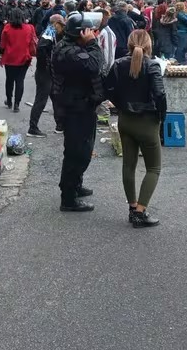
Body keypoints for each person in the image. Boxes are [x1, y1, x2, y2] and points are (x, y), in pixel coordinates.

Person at [103, 30, 165, 228]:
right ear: (148, 45)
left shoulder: (119, 64)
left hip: (125, 120)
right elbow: (160, 94)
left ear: (128, 44)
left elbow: (108, 88)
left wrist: (121, 105)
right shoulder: (153, 65)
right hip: (147, 121)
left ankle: (132, 207)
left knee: (128, 165)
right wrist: (161, 117)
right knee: (153, 168)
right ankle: (141, 211)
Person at [51, 12, 104, 213]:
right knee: (76, 152)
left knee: (85, 148)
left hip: (83, 107)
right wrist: (92, 43)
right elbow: (94, 65)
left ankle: (76, 184)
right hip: (74, 109)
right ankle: (68, 197)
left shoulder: (73, 48)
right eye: (89, 31)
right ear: (81, 32)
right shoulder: (69, 52)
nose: (93, 34)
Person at [29, 14, 65, 137]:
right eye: (61, 25)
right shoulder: (49, 32)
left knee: (56, 97)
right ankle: (32, 128)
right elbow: (41, 48)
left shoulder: (52, 33)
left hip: (49, 71)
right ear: (56, 24)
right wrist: (47, 63)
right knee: (41, 100)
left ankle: (60, 125)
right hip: (44, 72)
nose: (62, 28)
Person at [0, 9, 36, 112]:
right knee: (20, 81)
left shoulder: (7, 28)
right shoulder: (29, 28)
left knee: (9, 79)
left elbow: (2, 43)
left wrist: (1, 54)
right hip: (24, 57)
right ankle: (17, 104)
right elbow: (32, 42)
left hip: (10, 57)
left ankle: (9, 100)